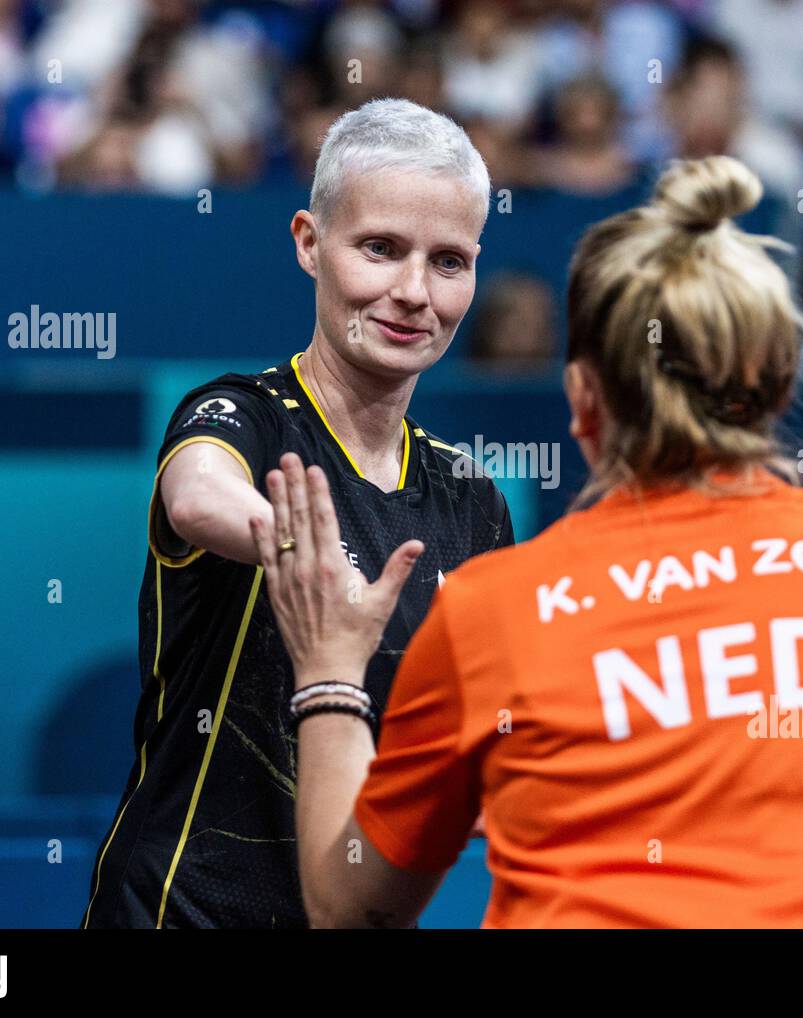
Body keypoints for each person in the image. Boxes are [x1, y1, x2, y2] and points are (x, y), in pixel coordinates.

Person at [250, 155, 803, 928]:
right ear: (777, 383)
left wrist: (327, 672)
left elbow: (352, 907)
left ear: (582, 396)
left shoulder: (490, 611)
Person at [82, 98, 513, 929]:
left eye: (449, 261)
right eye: (380, 249)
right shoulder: (244, 416)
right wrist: (319, 566)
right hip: (179, 910)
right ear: (310, 244)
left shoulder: (473, 501)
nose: (413, 292)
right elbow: (199, 494)